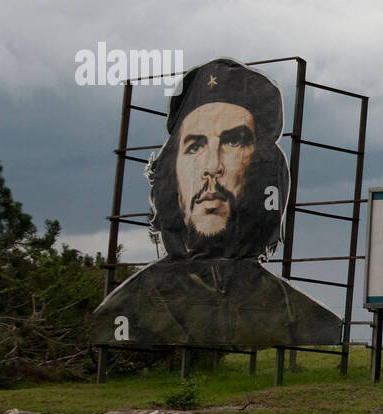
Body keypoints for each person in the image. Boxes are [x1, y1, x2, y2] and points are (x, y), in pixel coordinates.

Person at [91, 58, 342, 348]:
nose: (212, 166)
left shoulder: (305, 319)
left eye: (233, 142)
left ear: (261, 166)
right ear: (171, 170)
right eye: (195, 146)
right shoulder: (126, 311)